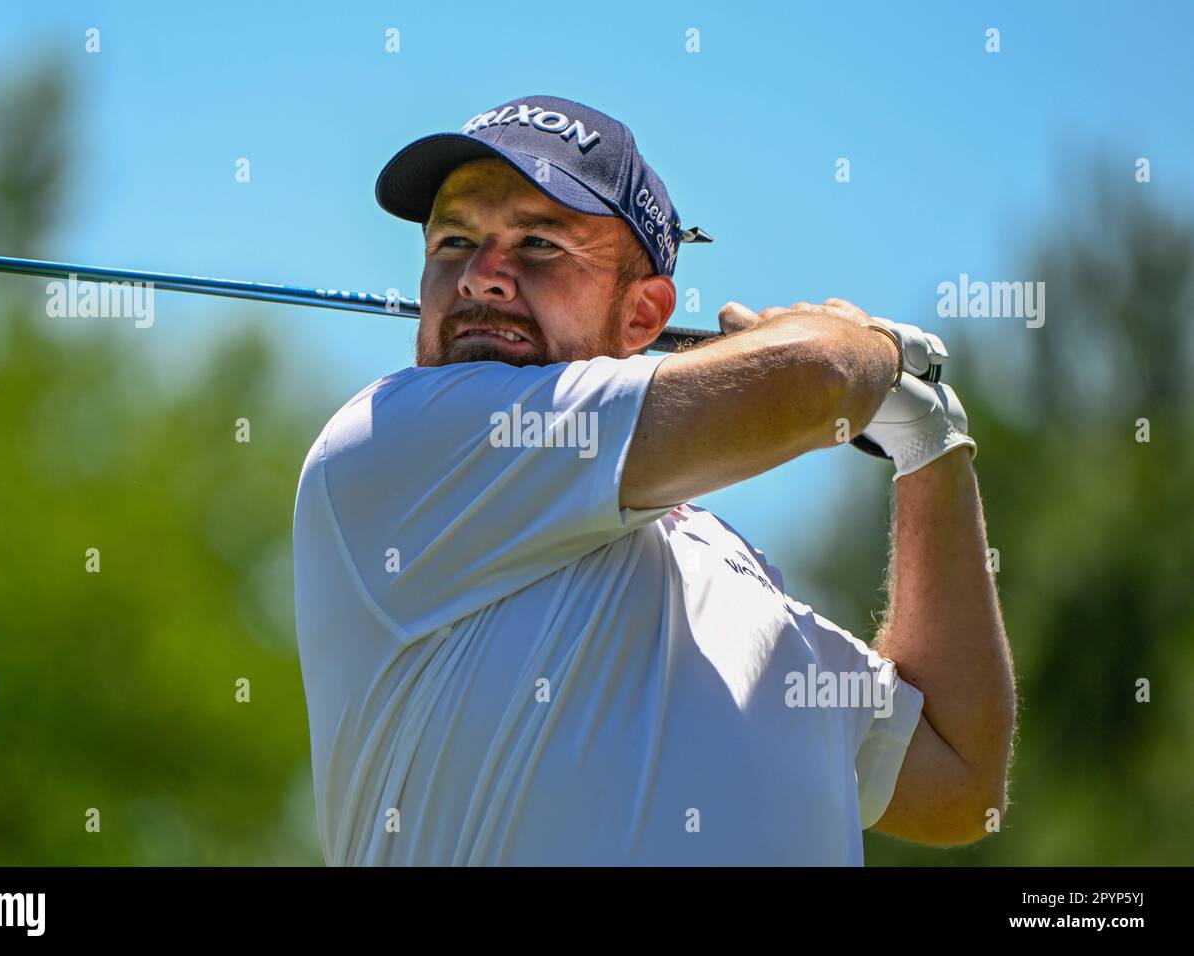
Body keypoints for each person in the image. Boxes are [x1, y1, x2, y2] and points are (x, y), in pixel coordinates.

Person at [292, 94, 1016, 865]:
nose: (481, 278)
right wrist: (863, 350)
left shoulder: (726, 566)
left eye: (538, 244)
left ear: (644, 317)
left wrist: (929, 441)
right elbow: (816, 378)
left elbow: (961, 782)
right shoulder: (400, 440)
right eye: (454, 241)